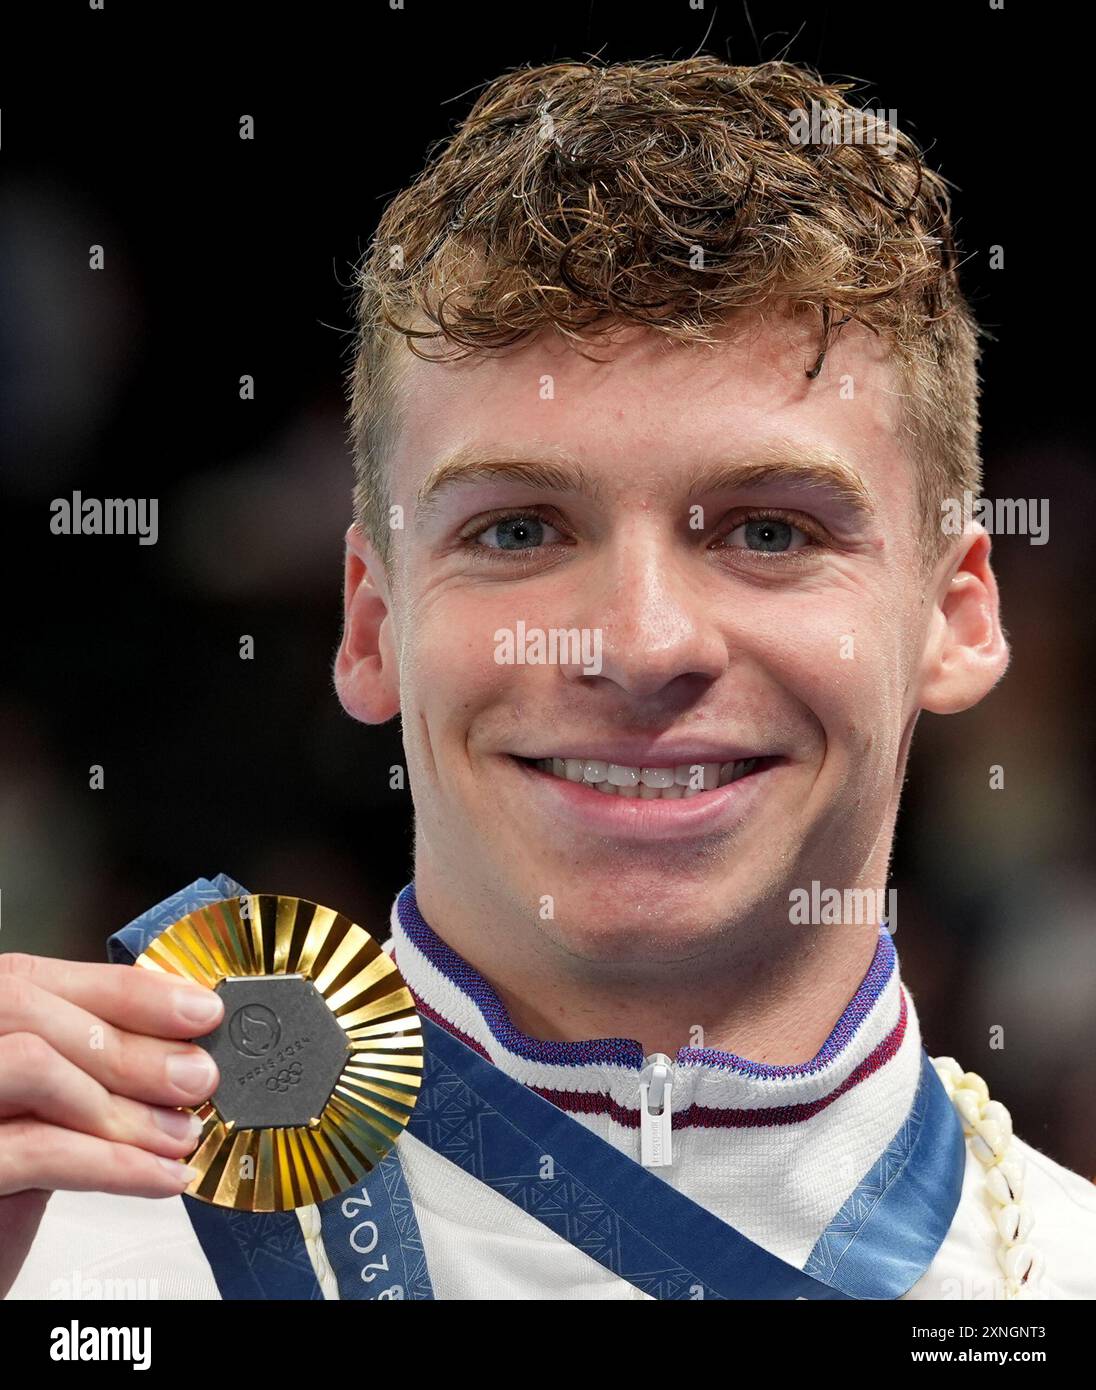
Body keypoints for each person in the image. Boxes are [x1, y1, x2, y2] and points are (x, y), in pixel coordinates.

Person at [4, 56, 1094, 1302]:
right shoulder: (56, 1253)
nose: (637, 647)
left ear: (955, 616)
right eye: (519, 530)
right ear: (370, 624)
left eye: (768, 531)